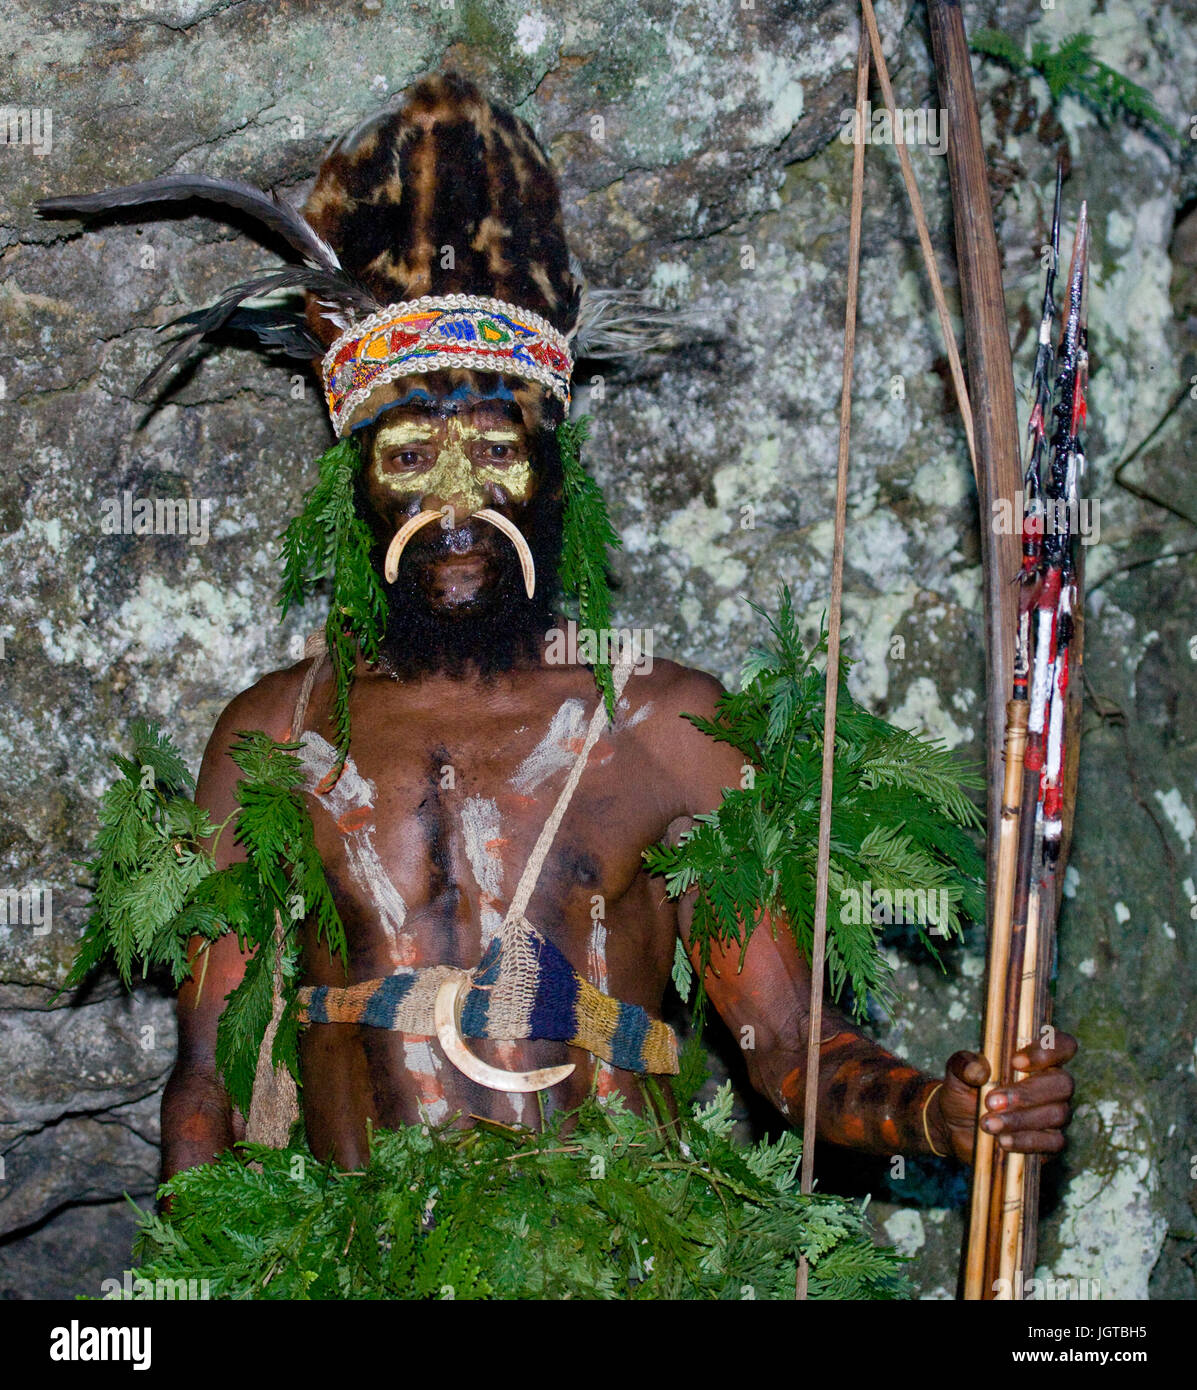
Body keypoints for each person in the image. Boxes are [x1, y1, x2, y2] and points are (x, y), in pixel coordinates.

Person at [45, 72, 1076, 1193]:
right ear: (358, 493)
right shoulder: (271, 738)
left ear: (553, 479)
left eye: (494, 452)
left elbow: (789, 1044)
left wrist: (943, 1115)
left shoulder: (666, 729)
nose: (455, 506)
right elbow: (207, 1085)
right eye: (409, 462)